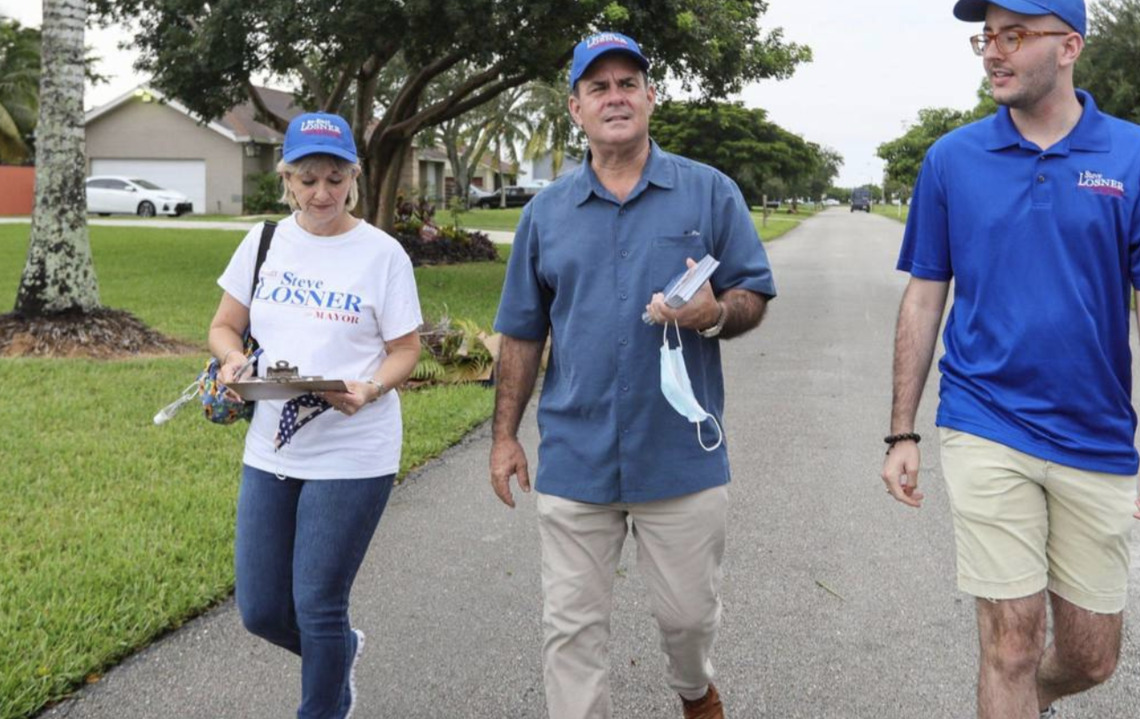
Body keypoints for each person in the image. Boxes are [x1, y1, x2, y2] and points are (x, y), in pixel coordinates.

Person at [879, 1, 1140, 717]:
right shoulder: (951, 160)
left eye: (1014, 36)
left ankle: (1031, 696)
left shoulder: (1139, 158)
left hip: (1094, 434)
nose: (994, 52)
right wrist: (902, 429)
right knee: (1012, 643)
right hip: (983, 418)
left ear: (1069, 47)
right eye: (986, 37)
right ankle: (1015, 685)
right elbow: (925, 296)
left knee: (1092, 655)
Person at [489, 31, 775, 719]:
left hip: (680, 456)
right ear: (575, 108)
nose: (614, 97)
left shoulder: (709, 193)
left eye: (627, 83)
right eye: (598, 87)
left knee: (687, 619)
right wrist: (504, 436)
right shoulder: (544, 214)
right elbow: (523, 332)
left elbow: (753, 295)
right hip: (575, 457)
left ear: (651, 96)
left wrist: (712, 313)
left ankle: (694, 688)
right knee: (571, 630)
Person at [208, 111, 423, 719]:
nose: (321, 193)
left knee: (319, 604)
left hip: (354, 449)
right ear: (287, 180)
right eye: (307, 180)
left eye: (334, 178)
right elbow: (225, 327)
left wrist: (371, 388)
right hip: (271, 448)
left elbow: (406, 349)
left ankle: (324, 704)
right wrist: (231, 363)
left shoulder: (382, 254)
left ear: (353, 176)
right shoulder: (265, 242)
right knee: (262, 610)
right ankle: (339, 653)